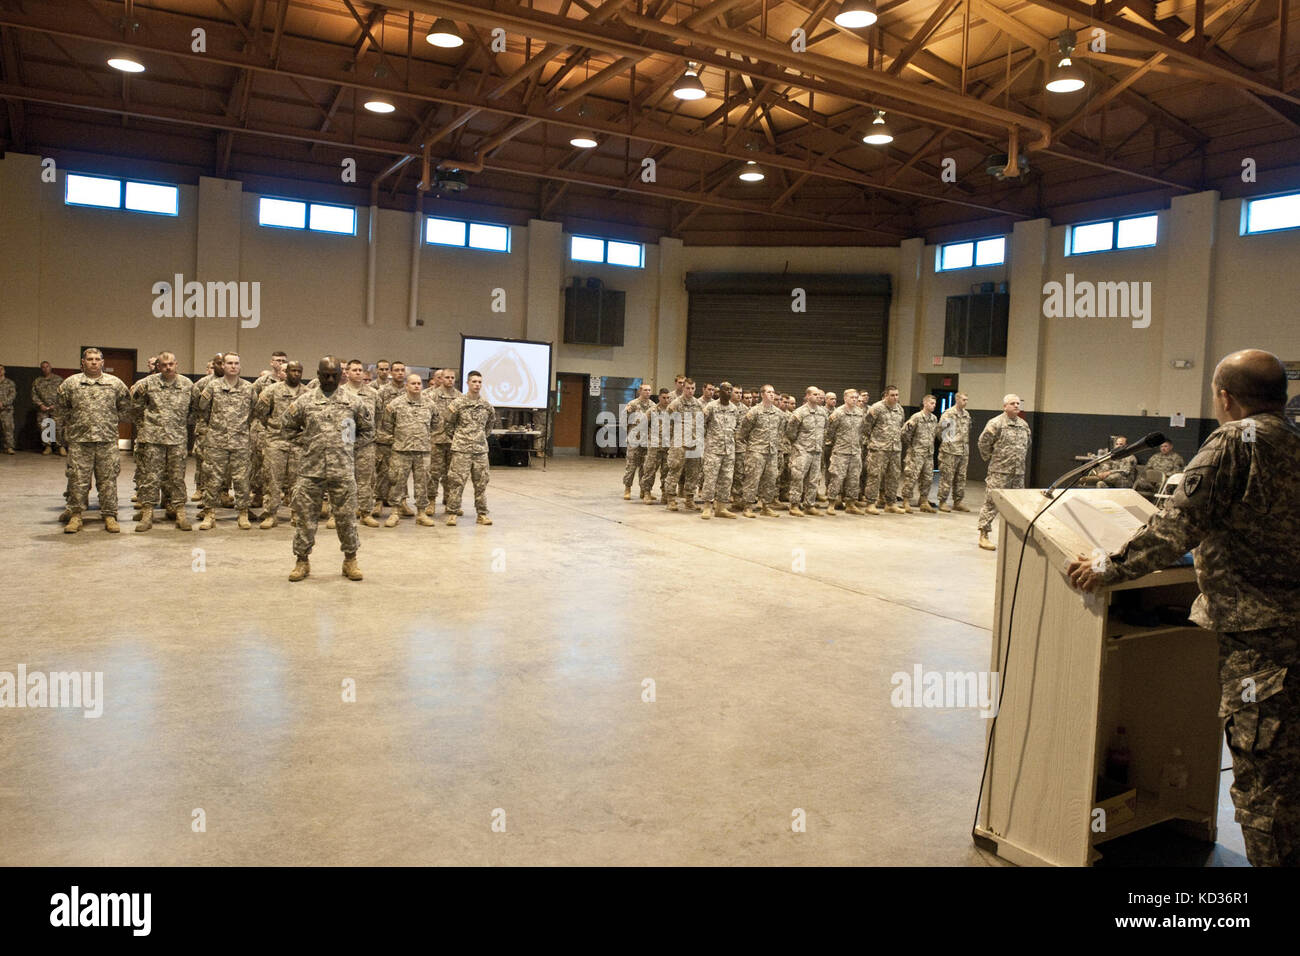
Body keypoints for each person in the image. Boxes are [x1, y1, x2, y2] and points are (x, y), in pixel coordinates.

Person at [1067, 349, 1300, 867]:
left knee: (1264, 788)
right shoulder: (1295, 438)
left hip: (1260, 645)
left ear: (1224, 398)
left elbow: (1174, 527)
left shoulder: (1235, 441)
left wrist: (1108, 567)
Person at [281, 357, 373, 581]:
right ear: (318, 374)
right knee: (305, 518)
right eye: (326, 375)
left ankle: (350, 560)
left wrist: (348, 446)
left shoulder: (354, 402)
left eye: (334, 375)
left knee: (346, 518)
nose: (330, 379)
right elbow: (287, 426)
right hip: (310, 470)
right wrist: (308, 444)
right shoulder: (305, 401)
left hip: (342, 469)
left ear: (341, 374)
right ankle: (302, 561)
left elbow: (368, 430)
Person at [55, 348, 132, 533]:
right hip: (79, 442)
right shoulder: (70, 384)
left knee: (108, 479)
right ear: (83, 362)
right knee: (77, 479)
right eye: (90, 359)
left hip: (106, 441)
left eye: (97, 359)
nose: (94, 362)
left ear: (103, 362)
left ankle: (109, 515)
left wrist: (108, 422)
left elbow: (126, 409)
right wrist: (71, 428)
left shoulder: (115, 384)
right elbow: (61, 410)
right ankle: (75, 515)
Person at [131, 352, 193, 531]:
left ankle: (180, 512)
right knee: (150, 478)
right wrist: (146, 428)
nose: (168, 367)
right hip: (152, 439)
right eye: (164, 365)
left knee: (177, 478)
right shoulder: (146, 384)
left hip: (177, 440)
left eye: (171, 364)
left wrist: (179, 425)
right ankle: (147, 513)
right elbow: (136, 408)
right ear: (158, 366)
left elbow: (193, 410)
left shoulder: (187, 385)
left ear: (176, 364)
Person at [197, 352, 256, 530]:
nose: (233, 366)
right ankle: (209, 513)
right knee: (212, 478)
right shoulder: (212, 387)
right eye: (229, 363)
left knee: (242, 479)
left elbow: (254, 412)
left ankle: (243, 513)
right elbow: (203, 411)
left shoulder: (249, 388)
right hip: (217, 441)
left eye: (236, 363)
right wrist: (212, 430)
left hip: (240, 442)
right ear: (223, 365)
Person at [975, 393, 1031, 551]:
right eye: (1012, 403)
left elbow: (1027, 443)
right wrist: (991, 458)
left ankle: (1016, 537)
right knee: (991, 503)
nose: (1016, 406)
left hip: (1018, 472)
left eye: (1018, 403)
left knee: (1018, 505)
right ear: (1005, 406)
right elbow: (983, 442)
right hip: (1000, 471)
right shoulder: (996, 423)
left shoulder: (1023, 425)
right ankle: (983, 535)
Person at [255, 360, 307, 529]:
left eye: (299, 371)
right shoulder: (272, 390)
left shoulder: (307, 394)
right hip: (276, 441)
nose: (296, 374)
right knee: (273, 480)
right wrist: (273, 428)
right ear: (286, 372)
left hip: (298, 443)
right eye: (293, 371)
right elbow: (260, 413)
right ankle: (270, 514)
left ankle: (296, 513)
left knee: (297, 481)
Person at [443, 370, 497, 526]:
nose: (477, 385)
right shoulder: (457, 404)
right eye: (474, 381)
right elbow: (448, 424)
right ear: (467, 383)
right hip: (461, 450)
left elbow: (489, 427)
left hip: (480, 451)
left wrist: (479, 439)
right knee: (456, 482)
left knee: (481, 483)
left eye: (479, 382)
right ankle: (452, 513)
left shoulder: (486, 406)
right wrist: (460, 439)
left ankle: (481, 514)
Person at [383, 373, 438, 527]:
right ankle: (394, 512)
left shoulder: (430, 404)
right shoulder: (395, 404)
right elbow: (387, 425)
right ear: (406, 385)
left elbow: (435, 423)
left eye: (419, 383)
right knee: (397, 482)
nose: (416, 386)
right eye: (413, 383)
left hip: (422, 450)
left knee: (423, 482)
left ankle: (421, 513)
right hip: (401, 450)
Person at [342, 359, 382, 527]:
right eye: (355, 370)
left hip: (366, 443)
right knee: (342, 479)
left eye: (360, 370)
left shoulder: (373, 393)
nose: (358, 372)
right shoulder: (340, 392)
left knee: (366, 480)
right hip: (345, 442)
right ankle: (339, 514)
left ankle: (365, 513)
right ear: (347, 372)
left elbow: (378, 416)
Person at [737, 384, 784, 517]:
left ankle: (766, 506)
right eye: (768, 392)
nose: (772, 395)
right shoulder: (754, 412)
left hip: (772, 451)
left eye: (773, 392)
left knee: (770, 479)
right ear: (762, 394)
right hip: (756, 451)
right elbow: (743, 432)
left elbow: (780, 431)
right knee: (752, 479)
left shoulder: (779, 413)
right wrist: (752, 446)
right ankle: (748, 506)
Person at [698, 382, 742, 519]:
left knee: (726, 479)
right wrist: (706, 441)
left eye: (730, 390)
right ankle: (707, 507)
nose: (729, 392)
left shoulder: (734, 409)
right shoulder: (711, 407)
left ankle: (721, 508)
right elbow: (700, 425)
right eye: (726, 390)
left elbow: (738, 426)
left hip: (729, 449)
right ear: (720, 391)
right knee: (710, 478)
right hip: (713, 450)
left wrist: (734, 438)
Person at [861, 385, 905, 515]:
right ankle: (871, 503)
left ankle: (890, 503)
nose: (895, 397)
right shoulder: (877, 408)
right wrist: (876, 441)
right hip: (879, 448)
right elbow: (866, 427)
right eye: (892, 395)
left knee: (894, 476)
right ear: (886, 395)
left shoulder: (900, 409)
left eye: (897, 395)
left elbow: (900, 426)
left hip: (895, 448)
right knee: (875, 476)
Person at [786, 386, 828, 516]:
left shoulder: (823, 412)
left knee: (814, 479)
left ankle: (809, 504)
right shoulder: (799, 413)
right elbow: (790, 432)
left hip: (816, 450)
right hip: (802, 450)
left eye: (818, 394)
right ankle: (794, 505)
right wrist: (799, 444)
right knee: (798, 478)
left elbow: (825, 430)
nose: (817, 397)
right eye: (814, 394)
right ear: (807, 396)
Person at [425, 368, 462, 516]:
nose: (450, 380)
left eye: (452, 378)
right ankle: (431, 502)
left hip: (454, 441)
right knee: (433, 473)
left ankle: (450, 502)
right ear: (441, 378)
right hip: (436, 440)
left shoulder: (460, 397)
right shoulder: (430, 395)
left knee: (452, 474)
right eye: (447, 377)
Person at [664, 378, 704, 512]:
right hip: (679, 442)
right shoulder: (676, 403)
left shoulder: (698, 404)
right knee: (675, 470)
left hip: (694, 443)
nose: (690, 391)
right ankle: (670, 498)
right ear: (683, 388)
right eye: (688, 388)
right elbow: (667, 423)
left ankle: (689, 500)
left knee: (694, 472)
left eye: (693, 388)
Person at [825, 389, 866, 514]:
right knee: (837, 478)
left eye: (856, 397)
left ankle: (850, 504)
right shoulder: (838, 413)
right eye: (852, 397)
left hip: (855, 451)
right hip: (841, 451)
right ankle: (831, 503)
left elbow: (862, 430)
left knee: (854, 479)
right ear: (845, 398)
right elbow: (829, 432)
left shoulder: (860, 413)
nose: (854, 399)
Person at [900, 395, 940, 512]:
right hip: (916, 453)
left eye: (935, 403)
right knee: (911, 477)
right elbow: (904, 432)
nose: (934, 405)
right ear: (925, 403)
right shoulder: (916, 417)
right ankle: (906, 501)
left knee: (927, 478)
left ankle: (923, 500)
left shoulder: (934, 418)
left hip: (928, 454)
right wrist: (912, 445)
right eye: (932, 403)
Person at [937, 392, 971, 512]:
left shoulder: (966, 415)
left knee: (961, 477)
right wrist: (949, 444)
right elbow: (941, 431)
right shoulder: (949, 414)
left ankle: (958, 501)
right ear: (957, 400)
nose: (965, 402)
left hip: (963, 451)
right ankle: (942, 501)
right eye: (963, 400)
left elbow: (967, 431)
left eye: (967, 400)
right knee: (947, 476)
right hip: (950, 451)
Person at [622, 384, 655, 500]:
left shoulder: (653, 405)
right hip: (634, 439)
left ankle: (643, 490)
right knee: (631, 465)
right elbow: (624, 418)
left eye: (649, 390)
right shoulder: (633, 404)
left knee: (645, 466)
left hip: (646, 440)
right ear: (640, 391)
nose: (648, 392)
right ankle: (627, 488)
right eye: (645, 390)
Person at [641, 388, 672, 503]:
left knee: (667, 471)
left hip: (668, 446)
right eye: (664, 397)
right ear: (659, 397)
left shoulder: (672, 411)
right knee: (650, 470)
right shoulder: (652, 410)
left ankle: (665, 493)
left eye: (668, 397)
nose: (666, 400)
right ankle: (647, 492)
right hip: (655, 445)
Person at [31, 361, 65, 455]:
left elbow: (63, 393)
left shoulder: (59, 380)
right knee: (44, 427)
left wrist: (57, 404)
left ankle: (60, 446)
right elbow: (34, 395)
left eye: (47, 366)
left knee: (58, 428)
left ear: (51, 367)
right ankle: (48, 446)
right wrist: (40, 404)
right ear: (41, 369)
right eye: (43, 367)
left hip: (56, 408)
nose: (45, 369)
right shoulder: (37, 381)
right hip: (43, 409)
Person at [0, 364, 15, 454]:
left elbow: (12, 396)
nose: (0, 371)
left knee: (8, 429)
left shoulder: (10, 383)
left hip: (6, 410)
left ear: (4, 371)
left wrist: (3, 403)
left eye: (1, 369)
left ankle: (9, 447)